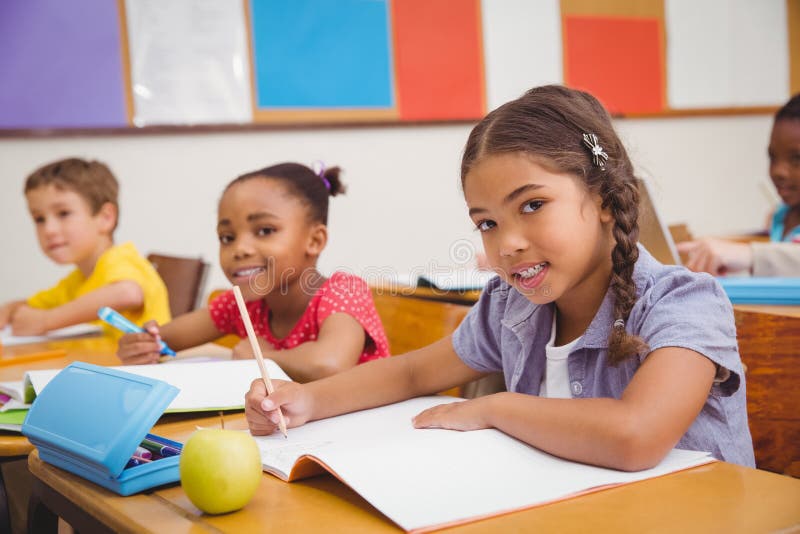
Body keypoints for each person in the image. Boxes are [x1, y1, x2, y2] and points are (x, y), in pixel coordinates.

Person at [245, 86, 755, 471]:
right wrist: (308, 400)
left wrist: (497, 407)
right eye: (487, 222)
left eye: (532, 205)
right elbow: (409, 374)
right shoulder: (511, 306)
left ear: (602, 197)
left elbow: (636, 436)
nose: (506, 242)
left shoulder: (685, 303)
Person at [116, 162, 390, 382]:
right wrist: (143, 342)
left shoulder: (343, 291)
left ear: (314, 241)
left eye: (265, 231)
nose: (240, 249)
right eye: (227, 237)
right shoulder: (244, 304)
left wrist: (263, 357)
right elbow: (165, 337)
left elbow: (328, 364)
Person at [0, 158, 170, 336]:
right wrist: (11, 309)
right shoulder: (79, 279)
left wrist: (46, 321)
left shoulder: (120, 259)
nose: (49, 230)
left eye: (64, 214)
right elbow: (36, 304)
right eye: (39, 219)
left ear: (105, 218)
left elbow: (128, 293)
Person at [677, 94, 800, 276]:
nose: (778, 171)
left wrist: (749, 254)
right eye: (773, 157)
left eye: (797, 158)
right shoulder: (780, 217)